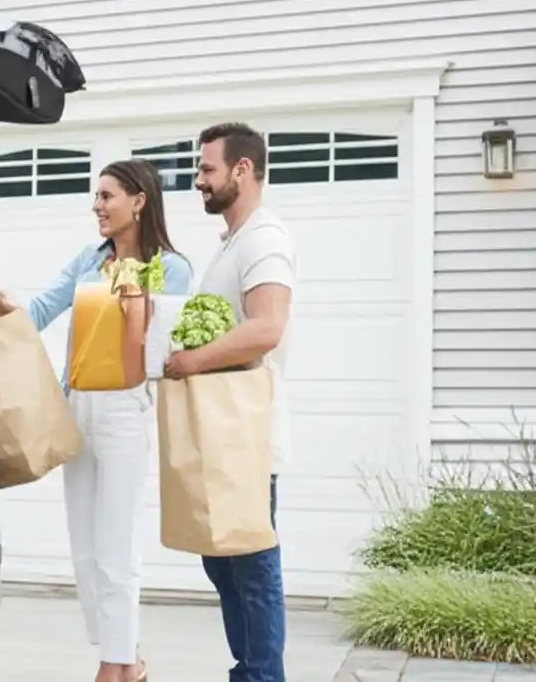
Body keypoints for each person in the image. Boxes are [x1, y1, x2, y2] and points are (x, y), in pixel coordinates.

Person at [0, 159, 192, 682]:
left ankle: (113, 666)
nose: (97, 206)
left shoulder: (171, 268)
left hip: (125, 408)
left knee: (117, 543)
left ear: (139, 201)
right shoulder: (88, 263)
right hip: (77, 405)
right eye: (96, 196)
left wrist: (138, 297)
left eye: (107, 196)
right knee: (86, 547)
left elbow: (163, 348)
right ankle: (125, 657)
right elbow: (40, 311)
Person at [164, 122, 297, 682]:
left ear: (242, 170)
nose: (198, 180)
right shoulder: (233, 245)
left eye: (206, 168)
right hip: (220, 438)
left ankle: (262, 677)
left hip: (245, 439)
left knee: (250, 566)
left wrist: (189, 362)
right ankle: (249, 672)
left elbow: (267, 328)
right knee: (224, 563)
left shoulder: (265, 239)